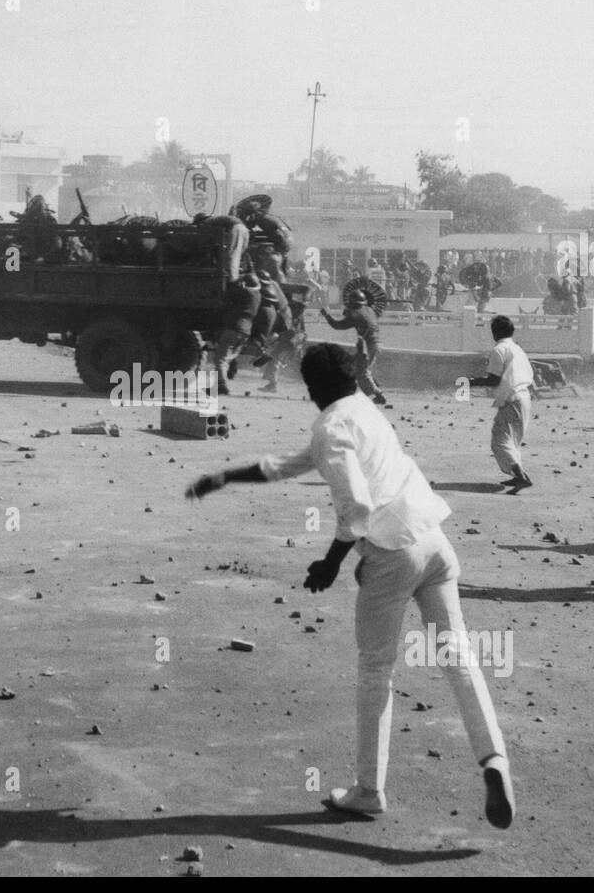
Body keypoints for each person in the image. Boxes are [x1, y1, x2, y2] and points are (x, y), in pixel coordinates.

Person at [183, 342, 515, 827]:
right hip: (435, 543)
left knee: (375, 670)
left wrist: (331, 563)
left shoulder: (329, 426)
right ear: (354, 376)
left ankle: (369, 790)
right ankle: (494, 760)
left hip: (392, 555)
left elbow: (356, 508)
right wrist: (225, 476)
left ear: (313, 389)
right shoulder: (365, 410)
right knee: (457, 655)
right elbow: (291, 464)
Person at [466, 315, 533, 492]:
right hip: (524, 398)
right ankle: (516, 475)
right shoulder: (517, 349)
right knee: (513, 441)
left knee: (500, 440)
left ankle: (520, 476)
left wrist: (471, 381)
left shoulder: (499, 350)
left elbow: (493, 380)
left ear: (495, 332)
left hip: (512, 399)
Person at [321, 288, 387, 405]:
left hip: (367, 346)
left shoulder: (355, 315)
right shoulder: (369, 310)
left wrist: (327, 315)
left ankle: (378, 395)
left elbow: (337, 325)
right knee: (353, 366)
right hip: (377, 344)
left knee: (361, 372)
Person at [213, 272, 261, 395]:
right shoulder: (257, 295)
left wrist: (236, 282)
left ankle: (221, 385)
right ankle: (221, 382)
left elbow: (228, 294)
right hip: (246, 331)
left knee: (220, 358)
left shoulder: (244, 292)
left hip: (233, 328)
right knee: (227, 358)